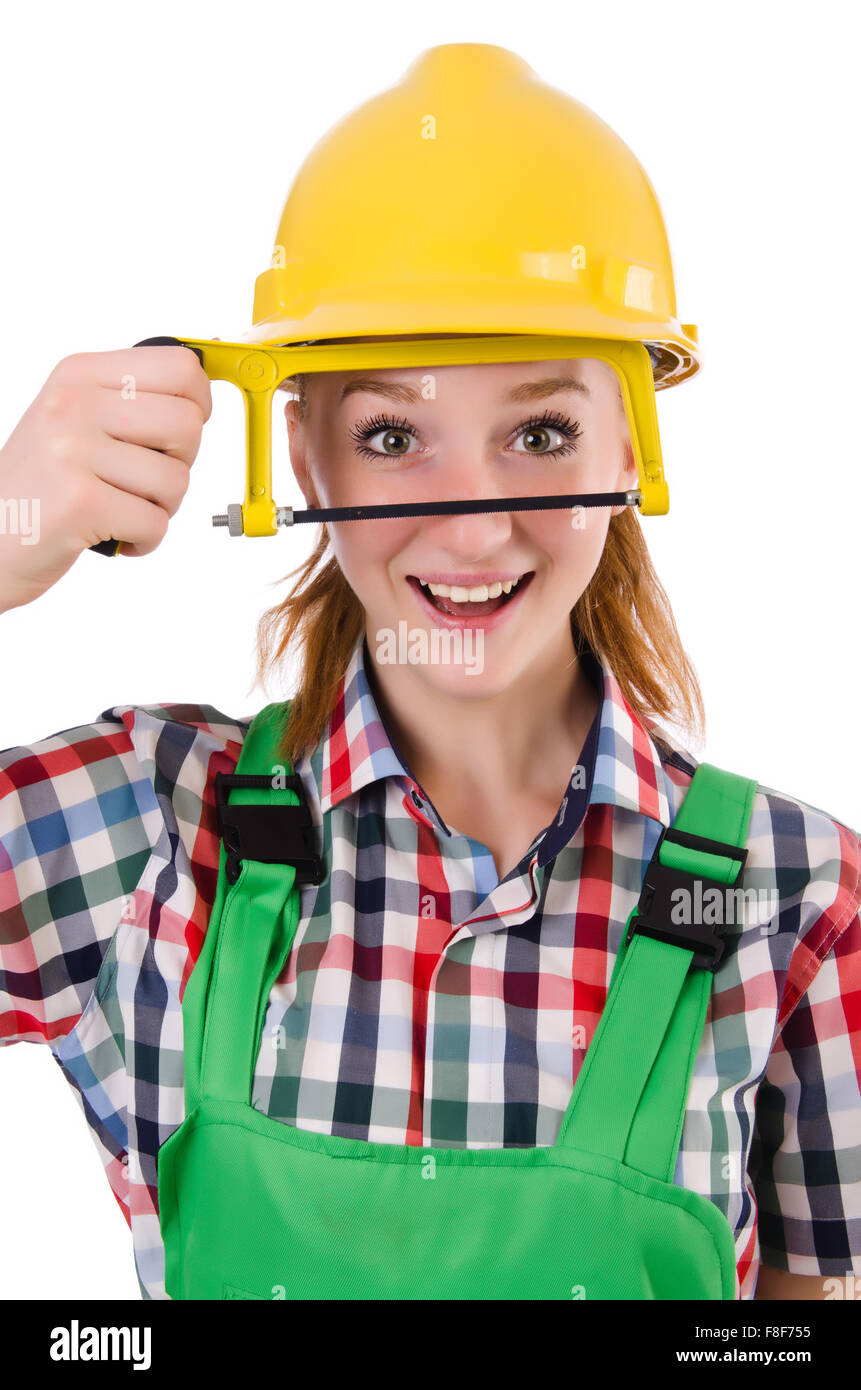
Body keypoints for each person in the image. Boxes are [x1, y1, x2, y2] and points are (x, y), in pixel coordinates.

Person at [1, 43, 860, 1303]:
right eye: (393, 435)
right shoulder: (143, 826)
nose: (471, 530)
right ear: (303, 457)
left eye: (541, 431)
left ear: (633, 437)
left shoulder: (797, 899)